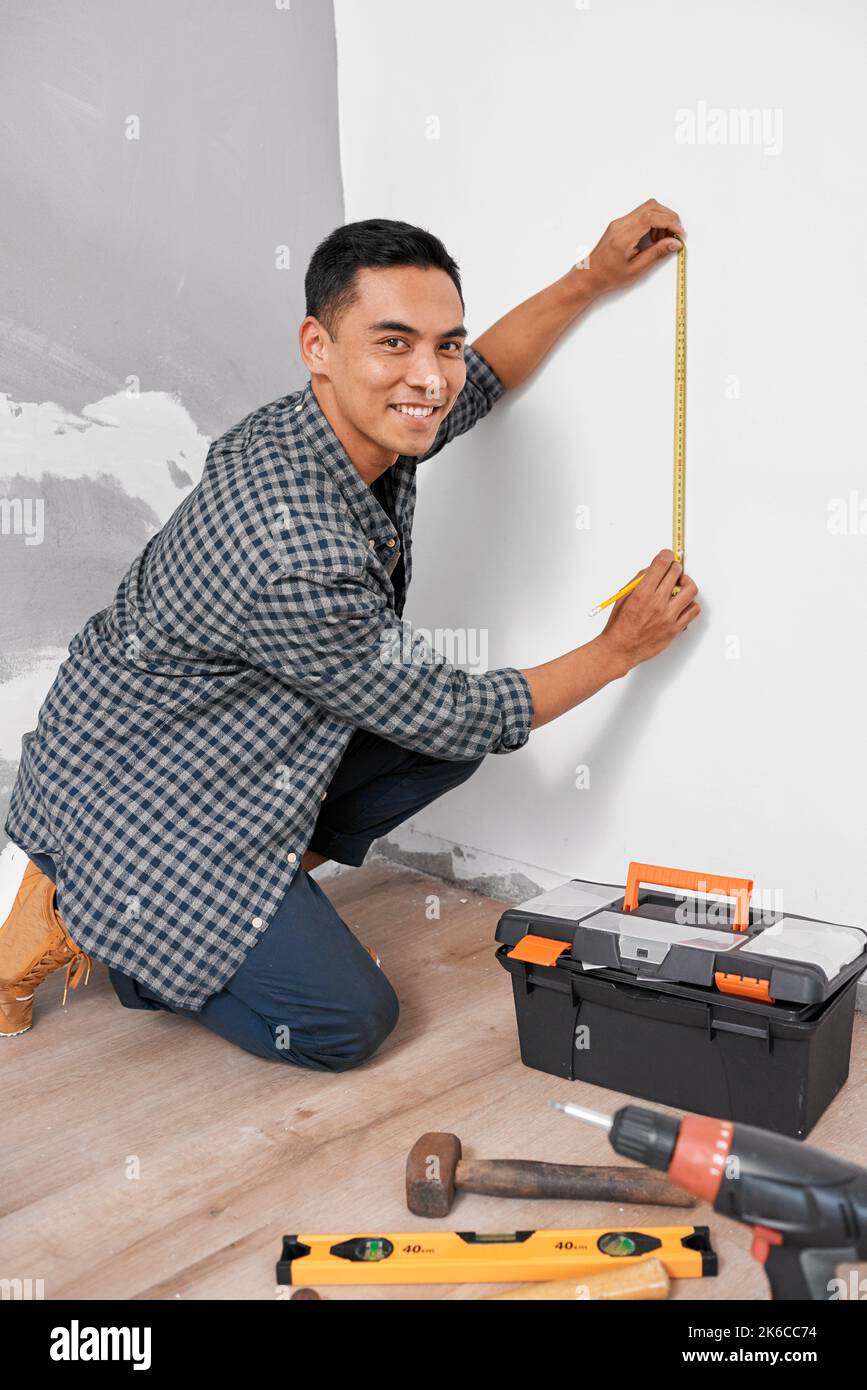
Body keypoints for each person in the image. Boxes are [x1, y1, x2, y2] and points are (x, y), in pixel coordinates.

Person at [0, 201, 700, 1068]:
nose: (432, 377)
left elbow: (480, 379)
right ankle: (102, 911)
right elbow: (462, 712)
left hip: (199, 739)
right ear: (317, 347)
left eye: (442, 342)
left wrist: (590, 277)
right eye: (394, 342)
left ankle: (224, 902)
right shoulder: (289, 548)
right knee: (345, 1025)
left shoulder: (336, 426)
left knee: (433, 741)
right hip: (141, 795)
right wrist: (617, 649)